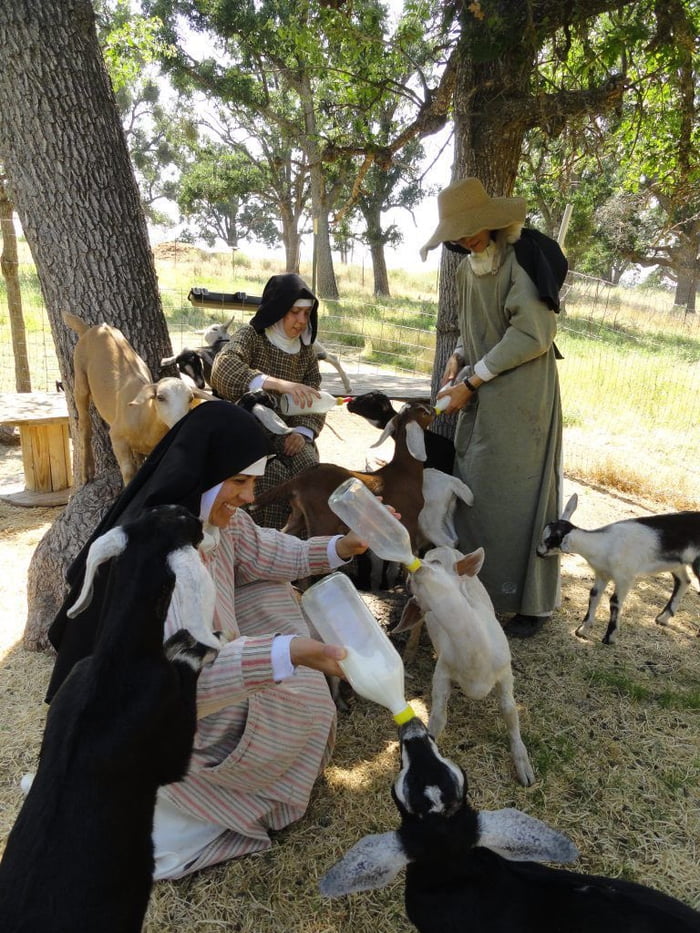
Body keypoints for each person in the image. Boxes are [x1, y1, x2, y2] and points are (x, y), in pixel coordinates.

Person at [45, 400, 369, 879]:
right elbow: (184, 677)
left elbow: (265, 554)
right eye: (239, 482)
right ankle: (225, 794)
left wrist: (341, 547)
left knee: (270, 589)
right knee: (306, 702)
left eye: (253, 482)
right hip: (169, 710)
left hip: (206, 658)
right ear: (205, 471)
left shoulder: (212, 518)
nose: (249, 497)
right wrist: (289, 653)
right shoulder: (164, 558)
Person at [420, 177, 564, 638]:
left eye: (472, 229)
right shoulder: (466, 270)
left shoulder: (519, 261)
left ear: (493, 222)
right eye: (458, 234)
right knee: (476, 489)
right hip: (481, 388)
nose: (467, 239)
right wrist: (458, 359)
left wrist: (473, 378)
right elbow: (469, 327)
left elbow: (533, 336)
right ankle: (479, 591)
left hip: (523, 397)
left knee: (522, 496)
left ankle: (529, 604)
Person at [211, 272, 326, 529]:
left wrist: (302, 432)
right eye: (294, 312)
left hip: (291, 436)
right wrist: (279, 385)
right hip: (249, 430)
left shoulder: (306, 352)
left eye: (306, 314)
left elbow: (315, 396)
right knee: (270, 477)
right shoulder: (252, 337)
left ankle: (301, 553)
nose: (301, 320)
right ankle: (260, 549)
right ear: (278, 309)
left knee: (310, 473)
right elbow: (224, 368)